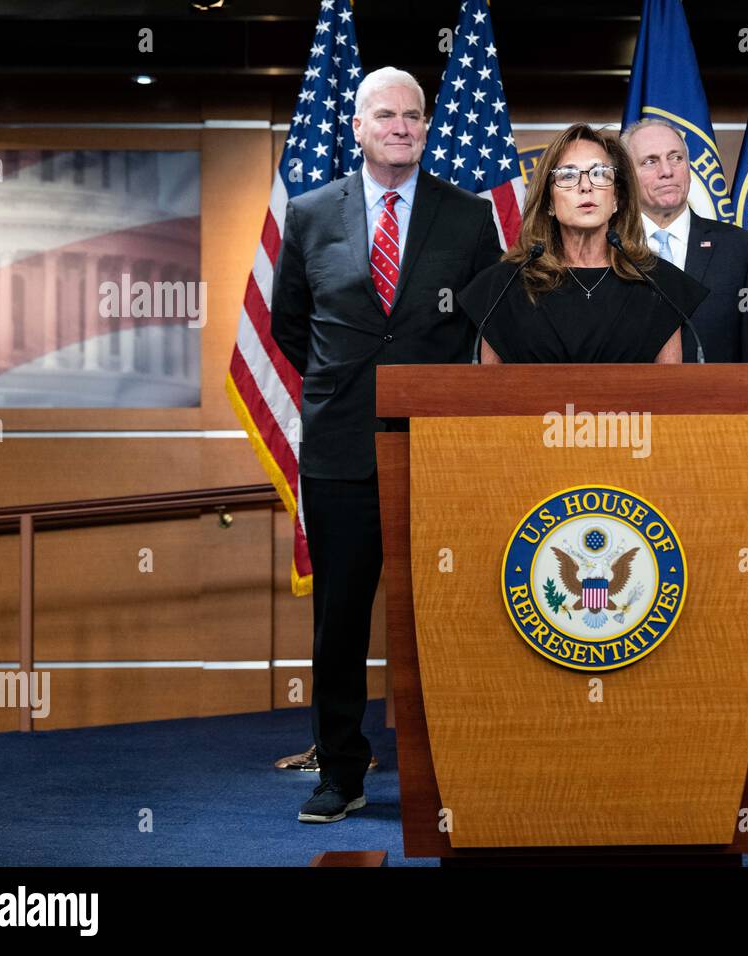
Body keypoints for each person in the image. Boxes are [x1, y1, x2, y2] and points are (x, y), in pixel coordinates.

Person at [270, 66, 502, 823]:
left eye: (414, 116)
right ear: (358, 128)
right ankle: (341, 772)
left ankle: (453, 767)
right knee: (339, 620)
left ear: (427, 128)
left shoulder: (467, 217)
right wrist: (348, 387)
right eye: (386, 116)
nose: (402, 126)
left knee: (447, 612)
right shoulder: (308, 214)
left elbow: (485, 322)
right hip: (341, 448)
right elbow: (290, 326)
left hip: (437, 449)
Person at [458, 123, 706, 364]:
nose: (586, 186)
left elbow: (670, 395)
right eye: (568, 175)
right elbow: (487, 395)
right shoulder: (502, 285)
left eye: (599, 173)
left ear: (617, 198)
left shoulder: (660, 284)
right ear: (550, 203)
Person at [622, 118, 748, 363]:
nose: (667, 171)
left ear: (689, 168)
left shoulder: (740, 250)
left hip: (721, 397)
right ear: (627, 176)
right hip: (631, 398)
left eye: (676, 158)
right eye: (650, 161)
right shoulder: (609, 250)